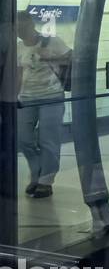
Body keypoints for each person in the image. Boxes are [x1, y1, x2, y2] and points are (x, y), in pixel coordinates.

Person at [15, 10, 70, 198]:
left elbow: (73, 58)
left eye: (22, 27)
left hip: (52, 97)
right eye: (17, 28)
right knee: (22, 138)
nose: (20, 31)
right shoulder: (18, 48)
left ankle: (46, 181)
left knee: (48, 139)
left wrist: (49, 57)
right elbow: (17, 74)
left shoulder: (51, 41)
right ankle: (37, 170)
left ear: (31, 24)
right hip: (26, 98)